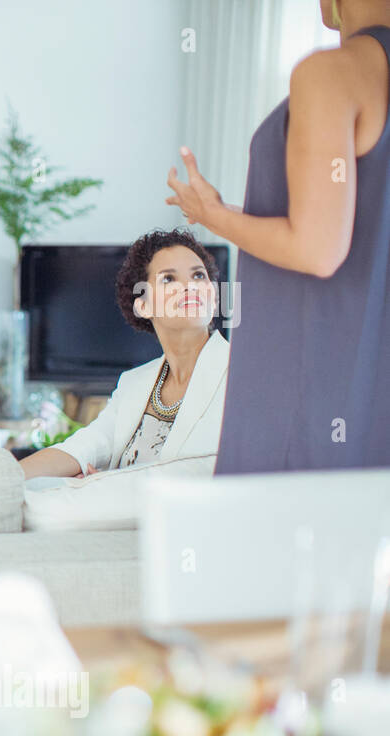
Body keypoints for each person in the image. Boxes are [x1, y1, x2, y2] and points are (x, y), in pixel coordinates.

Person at [166, 1, 390, 472]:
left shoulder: (333, 73)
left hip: (317, 377)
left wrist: (212, 215)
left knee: (281, 535)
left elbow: (317, 249)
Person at [20, 230, 230, 479]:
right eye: (169, 279)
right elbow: (80, 449)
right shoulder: (133, 384)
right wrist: (1, 479)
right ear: (142, 305)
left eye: (198, 275)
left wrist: (107, 481)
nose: (190, 286)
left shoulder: (243, 375)